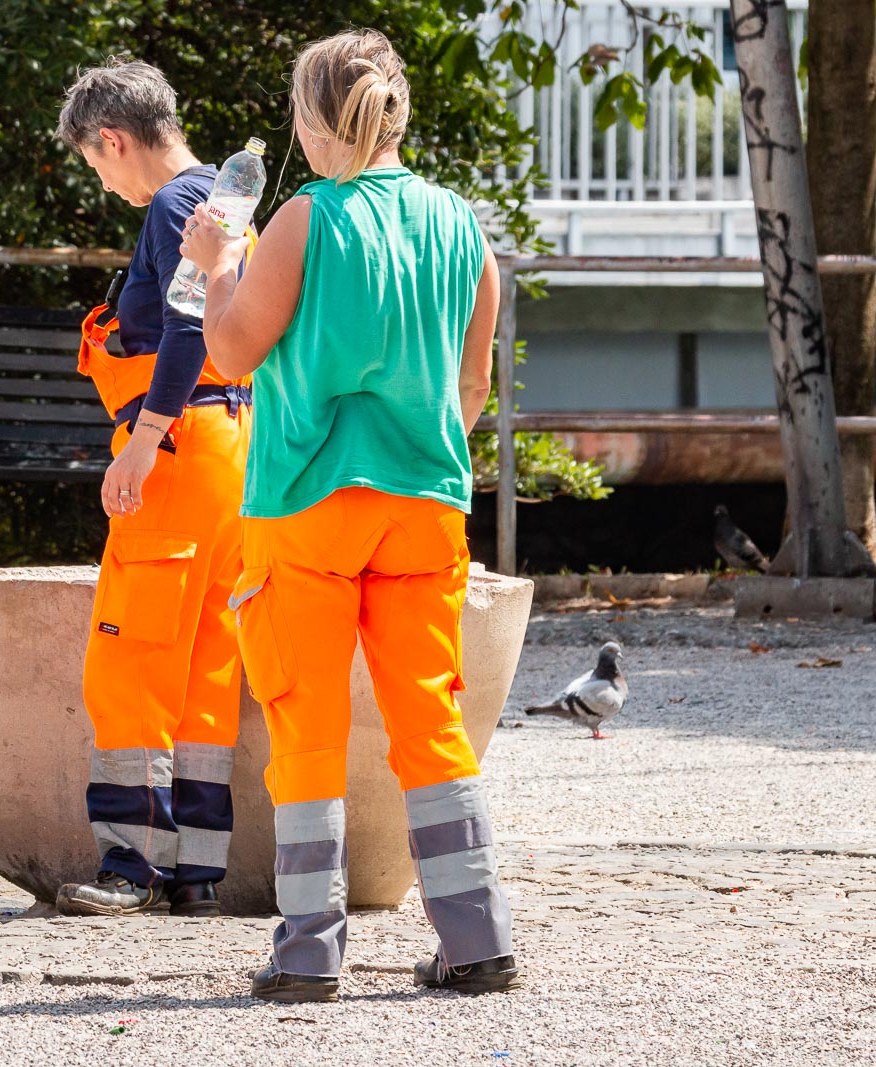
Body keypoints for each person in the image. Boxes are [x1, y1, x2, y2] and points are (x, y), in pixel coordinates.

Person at [179, 29, 518, 1000]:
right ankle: (476, 938)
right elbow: (469, 383)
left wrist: (214, 263)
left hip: (306, 501)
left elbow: (236, 353)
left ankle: (308, 949)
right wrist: (424, 458)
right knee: (428, 717)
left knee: (307, 722)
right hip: (424, 503)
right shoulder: (461, 226)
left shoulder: (301, 218)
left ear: (312, 122)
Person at [51, 59, 253, 919]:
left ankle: (129, 867)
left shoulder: (177, 204)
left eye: (96, 165)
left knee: (129, 657)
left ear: (115, 138)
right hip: (239, 450)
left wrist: (142, 439)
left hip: (179, 444)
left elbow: (180, 327)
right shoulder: (233, 204)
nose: (103, 180)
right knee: (209, 661)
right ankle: (196, 872)